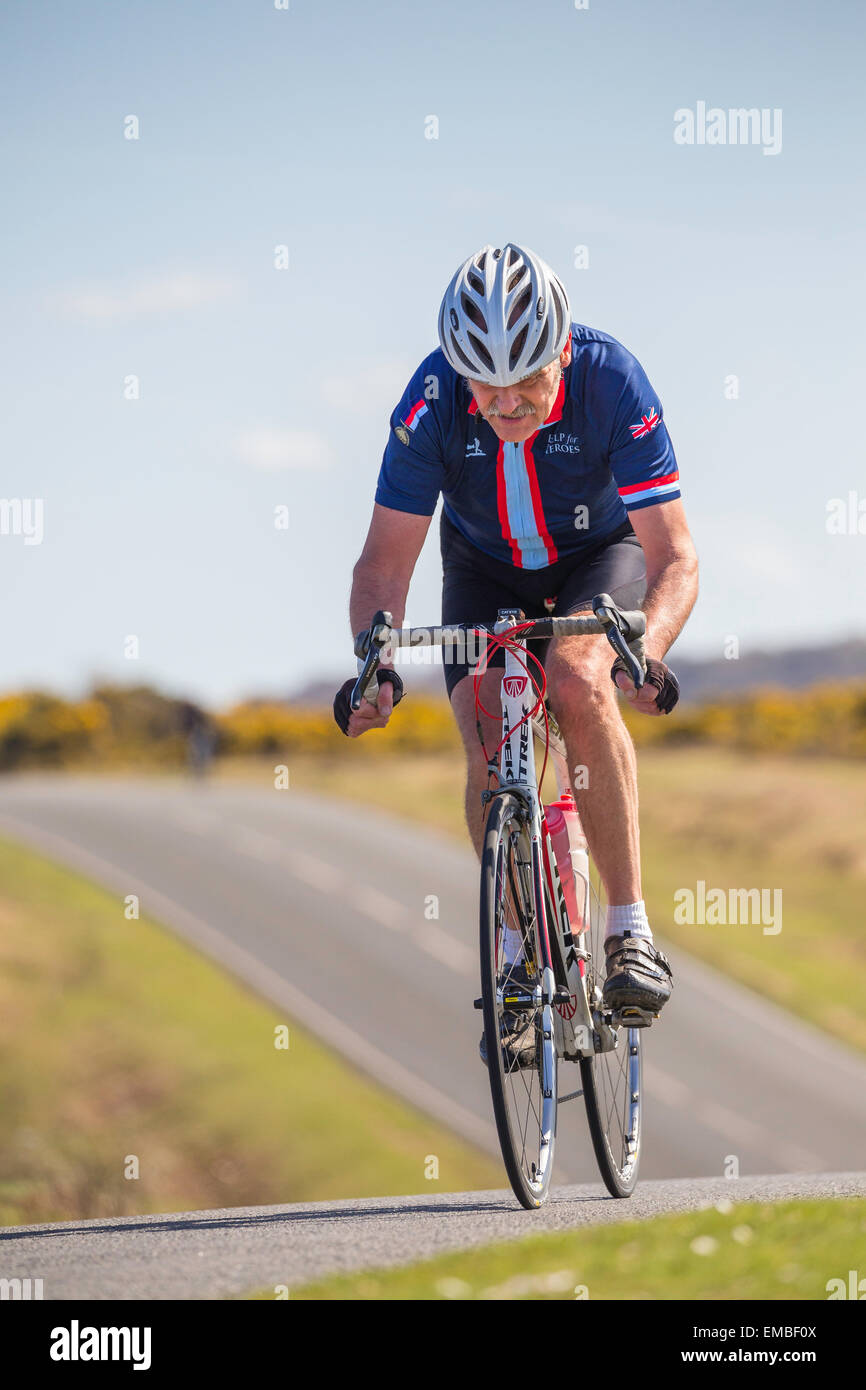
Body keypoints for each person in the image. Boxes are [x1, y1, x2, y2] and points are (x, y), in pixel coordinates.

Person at [334, 243, 698, 1048]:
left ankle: (628, 929)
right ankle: (517, 951)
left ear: (563, 354)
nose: (504, 403)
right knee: (488, 737)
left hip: (599, 558)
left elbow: (674, 556)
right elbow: (383, 563)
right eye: (485, 384)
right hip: (483, 568)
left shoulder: (612, 380)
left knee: (576, 679)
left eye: (527, 380)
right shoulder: (431, 401)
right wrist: (376, 662)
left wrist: (650, 650)